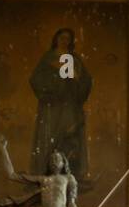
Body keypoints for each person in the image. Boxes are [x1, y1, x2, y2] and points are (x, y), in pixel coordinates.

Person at [29, 28, 92, 179]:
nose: (64, 41)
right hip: (52, 106)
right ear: (56, 39)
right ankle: (46, 174)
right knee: (50, 136)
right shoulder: (48, 58)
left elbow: (86, 81)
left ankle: (71, 174)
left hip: (70, 105)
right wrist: (54, 82)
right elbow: (35, 79)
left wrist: (76, 79)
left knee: (70, 134)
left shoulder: (73, 59)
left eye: (68, 38)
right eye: (62, 38)